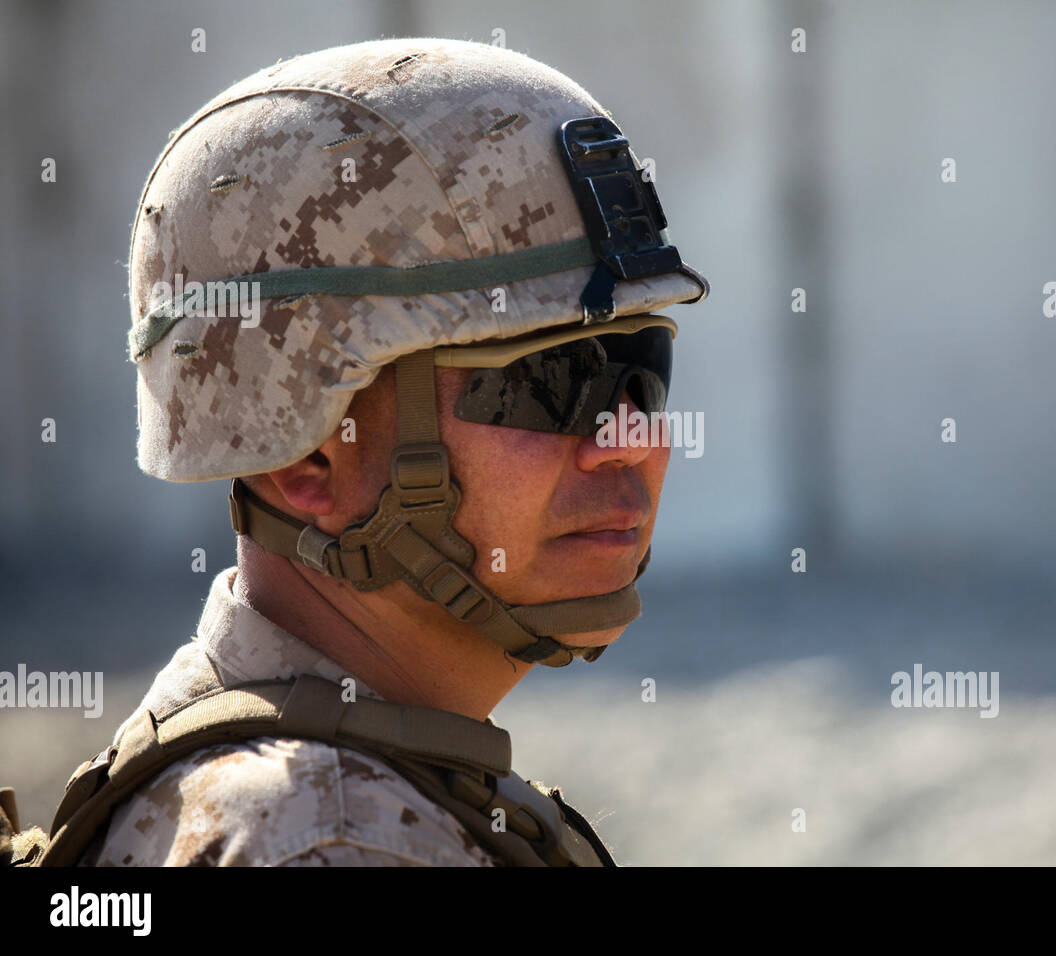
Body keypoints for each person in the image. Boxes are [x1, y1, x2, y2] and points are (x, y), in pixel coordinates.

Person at [44, 36, 708, 867]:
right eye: (551, 381)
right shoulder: (328, 837)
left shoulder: (356, 782)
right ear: (308, 459)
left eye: (644, 374)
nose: (632, 439)